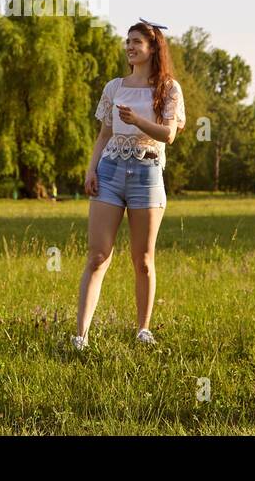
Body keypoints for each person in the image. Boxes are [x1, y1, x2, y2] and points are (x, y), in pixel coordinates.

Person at [73, 19, 185, 350]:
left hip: (147, 174)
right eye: (128, 41)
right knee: (97, 256)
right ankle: (81, 335)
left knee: (144, 258)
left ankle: (143, 329)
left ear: (153, 48)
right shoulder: (114, 87)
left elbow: (169, 135)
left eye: (137, 41)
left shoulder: (168, 88)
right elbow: (105, 133)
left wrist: (137, 121)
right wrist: (91, 169)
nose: (130, 46)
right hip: (109, 171)